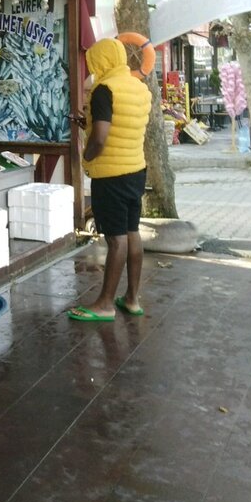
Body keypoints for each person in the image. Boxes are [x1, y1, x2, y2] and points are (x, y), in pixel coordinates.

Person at [68, 37, 152, 322]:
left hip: (111, 175)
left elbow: (101, 138)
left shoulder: (104, 89)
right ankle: (132, 298)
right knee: (131, 232)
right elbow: (121, 125)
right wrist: (88, 123)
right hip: (135, 170)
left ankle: (104, 304)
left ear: (102, 61)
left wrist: (88, 157)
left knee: (115, 240)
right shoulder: (138, 88)